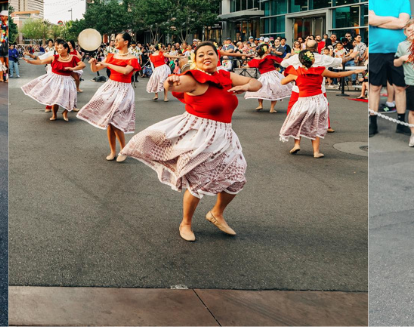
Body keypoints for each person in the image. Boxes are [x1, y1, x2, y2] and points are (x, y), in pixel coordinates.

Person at [119, 41, 262, 241]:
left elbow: (257, 83)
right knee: (198, 182)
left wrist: (245, 85)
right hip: (201, 136)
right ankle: (186, 223)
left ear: (217, 57)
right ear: (195, 59)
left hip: (226, 136)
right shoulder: (193, 79)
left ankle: (216, 213)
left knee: (237, 178)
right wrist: (172, 81)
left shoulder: (225, 76)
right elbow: (175, 82)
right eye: (201, 54)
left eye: (210, 53)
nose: (206, 57)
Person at [279, 50, 360, 157]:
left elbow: (282, 82)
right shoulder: (320, 71)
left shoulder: (296, 72)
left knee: (298, 122)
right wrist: (353, 72)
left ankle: (297, 144)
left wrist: (293, 78)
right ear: (313, 60)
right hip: (319, 101)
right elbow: (338, 74)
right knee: (316, 125)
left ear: (300, 60)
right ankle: (316, 152)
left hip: (303, 101)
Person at [77, 32, 140, 161]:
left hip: (124, 90)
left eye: (117, 40)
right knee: (110, 122)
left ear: (126, 42)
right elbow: (95, 69)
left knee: (116, 122)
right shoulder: (111, 56)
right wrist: (93, 63)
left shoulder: (132, 58)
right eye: (114, 40)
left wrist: (107, 64)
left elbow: (126, 71)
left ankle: (124, 150)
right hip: (110, 88)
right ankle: (113, 151)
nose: (114, 42)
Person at [365, 0, 410, 136]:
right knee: (374, 87)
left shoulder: (403, 1)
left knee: (399, 88)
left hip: (398, 52)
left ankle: (401, 122)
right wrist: (392, 19)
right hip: (376, 51)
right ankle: (373, 123)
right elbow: (370, 19)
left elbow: (402, 23)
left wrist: (379, 21)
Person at [20, 39, 86, 121]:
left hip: (67, 80)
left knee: (69, 97)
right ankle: (54, 115)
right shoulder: (53, 57)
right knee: (55, 98)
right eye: (58, 48)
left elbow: (83, 65)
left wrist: (73, 68)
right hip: (55, 79)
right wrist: (30, 61)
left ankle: (65, 113)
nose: (58, 49)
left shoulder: (73, 58)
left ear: (66, 49)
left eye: (61, 48)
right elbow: (41, 62)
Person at [245, 44, 290, 113]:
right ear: (266, 51)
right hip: (273, 75)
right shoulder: (270, 57)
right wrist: (287, 56)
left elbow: (247, 66)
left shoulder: (257, 59)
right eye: (269, 49)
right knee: (275, 90)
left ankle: (260, 105)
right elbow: (281, 61)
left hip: (264, 76)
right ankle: (272, 108)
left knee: (260, 89)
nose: (270, 50)